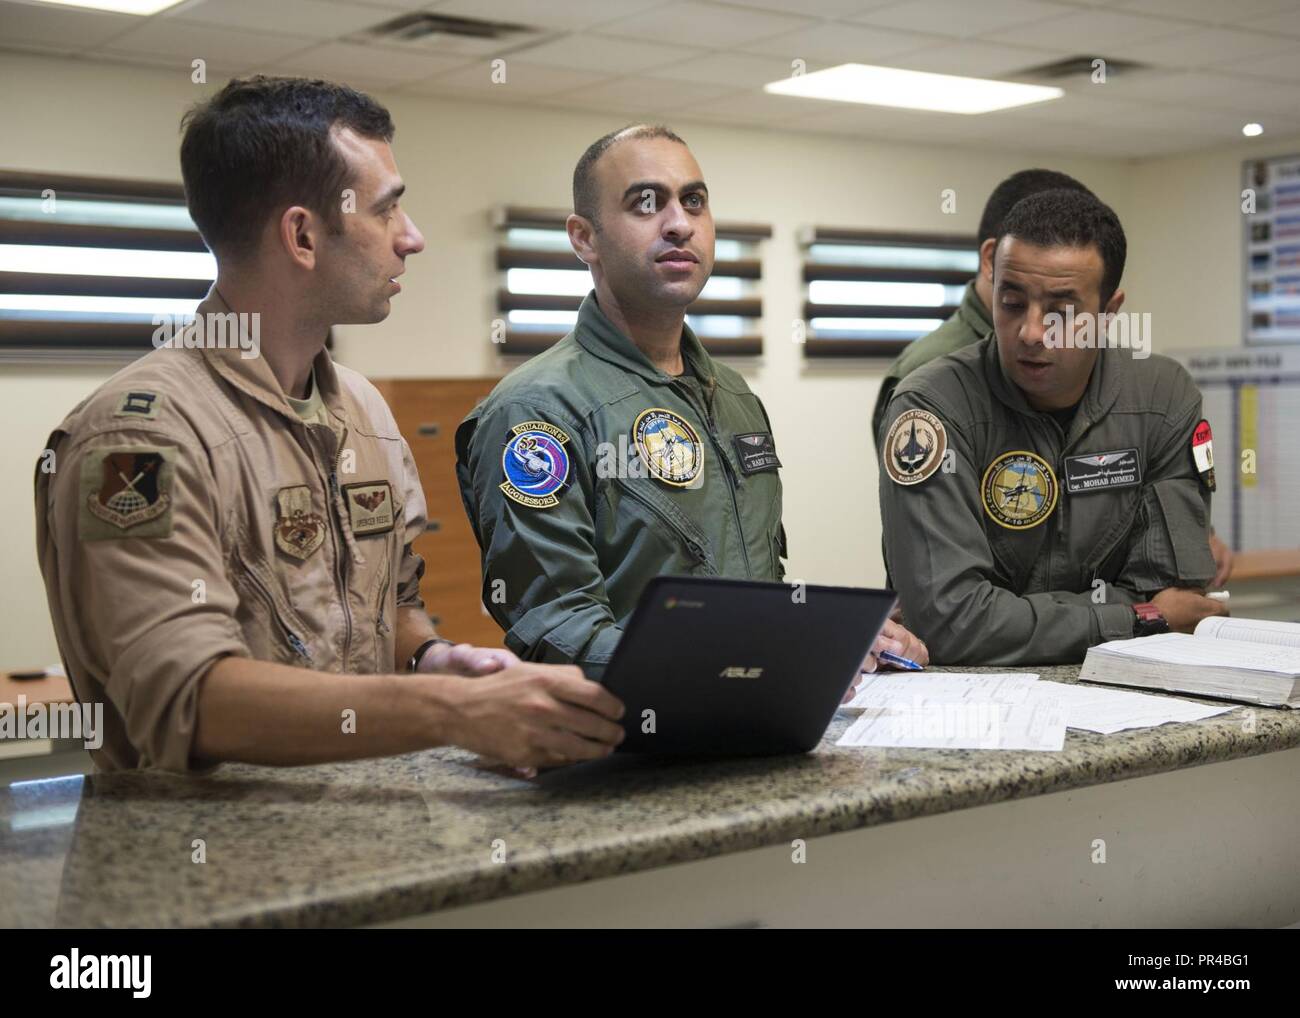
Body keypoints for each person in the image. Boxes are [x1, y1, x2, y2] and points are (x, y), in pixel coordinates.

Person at [34, 76, 623, 774]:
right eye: (388, 210)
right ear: (303, 235)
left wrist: (433, 658)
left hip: (362, 839)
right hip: (209, 866)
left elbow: (390, 605)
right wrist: (450, 711)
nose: (413, 238)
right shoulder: (139, 440)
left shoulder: (363, 412)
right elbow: (187, 697)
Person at [456, 124, 925, 679]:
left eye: (694, 201)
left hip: (750, 729)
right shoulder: (536, 411)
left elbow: (754, 592)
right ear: (585, 238)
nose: (678, 223)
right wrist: (755, 657)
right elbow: (561, 632)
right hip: (625, 750)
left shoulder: (732, 396)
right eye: (645, 203)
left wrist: (837, 636)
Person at [877, 188, 1226, 664]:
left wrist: (1014, 618)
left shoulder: (1162, 399)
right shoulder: (932, 405)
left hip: (1129, 692)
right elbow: (953, 622)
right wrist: (1136, 618)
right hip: (968, 703)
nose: (1031, 332)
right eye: (1012, 302)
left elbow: (1172, 593)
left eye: (1062, 312)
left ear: (1109, 312)